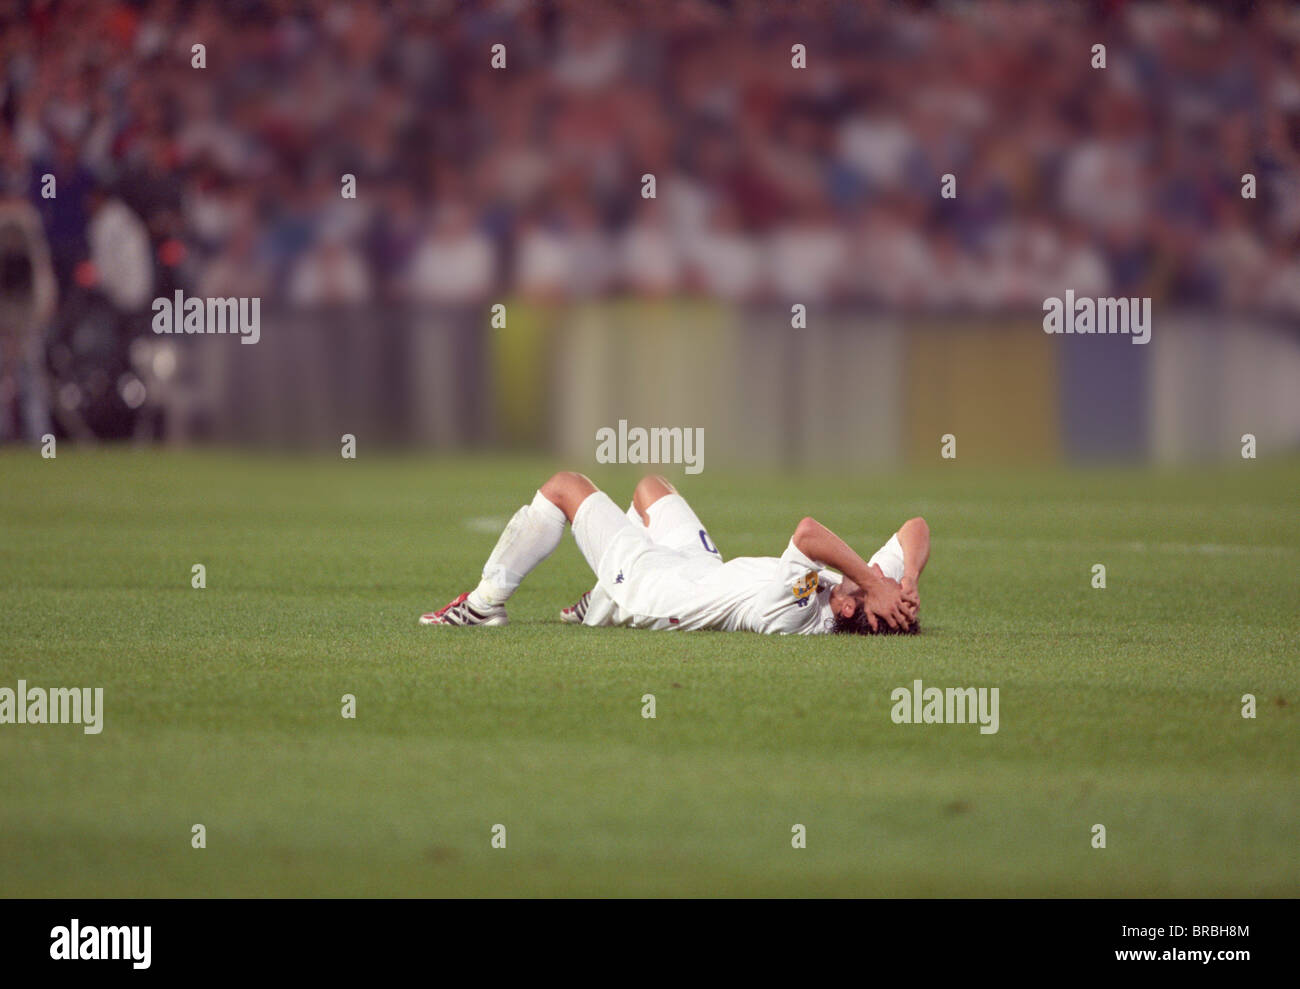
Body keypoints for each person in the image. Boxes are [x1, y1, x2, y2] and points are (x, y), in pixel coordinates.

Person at [421, 472, 928, 635]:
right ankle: (601, 600)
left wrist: (875, 581)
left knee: (563, 486)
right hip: (698, 569)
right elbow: (916, 527)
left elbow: (808, 533)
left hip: (656, 588)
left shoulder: (795, 610)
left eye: (865, 587)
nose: (870, 574)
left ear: (845, 608)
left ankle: (484, 604)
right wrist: (906, 582)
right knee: (649, 487)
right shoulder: (862, 594)